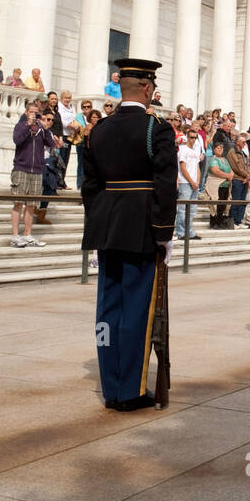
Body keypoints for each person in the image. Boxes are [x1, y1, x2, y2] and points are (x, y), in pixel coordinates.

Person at [81, 57, 177, 412]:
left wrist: (98, 227)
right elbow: (166, 185)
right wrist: (164, 233)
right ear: (148, 88)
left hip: (107, 228)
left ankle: (110, 386)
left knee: (107, 311)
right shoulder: (157, 130)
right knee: (137, 311)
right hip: (140, 229)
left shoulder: (99, 130)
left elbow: (90, 187)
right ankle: (130, 390)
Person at [9, 99, 53, 247]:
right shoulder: (20, 126)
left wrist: (45, 128)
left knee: (31, 205)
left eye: (36, 113)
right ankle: (15, 235)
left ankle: (27, 234)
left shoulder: (41, 129)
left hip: (37, 170)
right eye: (31, 112)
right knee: (18, 203)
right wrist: (28, 125)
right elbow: (17, 140)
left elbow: (51, 144)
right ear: (26, 113)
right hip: (21, 168)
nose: (34, 115)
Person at [174, 116, 203, 241]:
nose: (193, 140)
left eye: (195, 138)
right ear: (187, 137)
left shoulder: (195, 151)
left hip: (194, 184)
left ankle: (189, 232)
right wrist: (192, 181)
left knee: (192, 210)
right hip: (185, 182)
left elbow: (197, 168)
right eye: (191, 137)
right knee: (182, 209)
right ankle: (181, 232)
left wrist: (197, 181)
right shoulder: (182, 150)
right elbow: (183, 168)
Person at [205, 141, 232, 229]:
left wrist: (231, 175)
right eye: (218, 148)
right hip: (216, 185)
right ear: (214, 149)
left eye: (221, 148)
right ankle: (214, 223)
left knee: (223, 205)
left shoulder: (225, 159)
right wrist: (228, 175)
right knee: (215, 204)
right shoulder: (213, 159)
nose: (220, 149)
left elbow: (231, 170)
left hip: (225, 185)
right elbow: (215, 171)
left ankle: (220, 222)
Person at [226, 131, 250, 228]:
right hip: (237, 179)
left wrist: (248, 176)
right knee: (236, 201)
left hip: (244, 180)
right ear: (237, 142)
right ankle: (232, 222)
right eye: (243, 142)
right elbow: (236, 166)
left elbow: (248, 165)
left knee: (242, 201)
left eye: (245, 142)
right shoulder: (232, 151)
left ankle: (239, 221)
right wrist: (246, 175)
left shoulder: (243, 153)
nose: (245, 143)